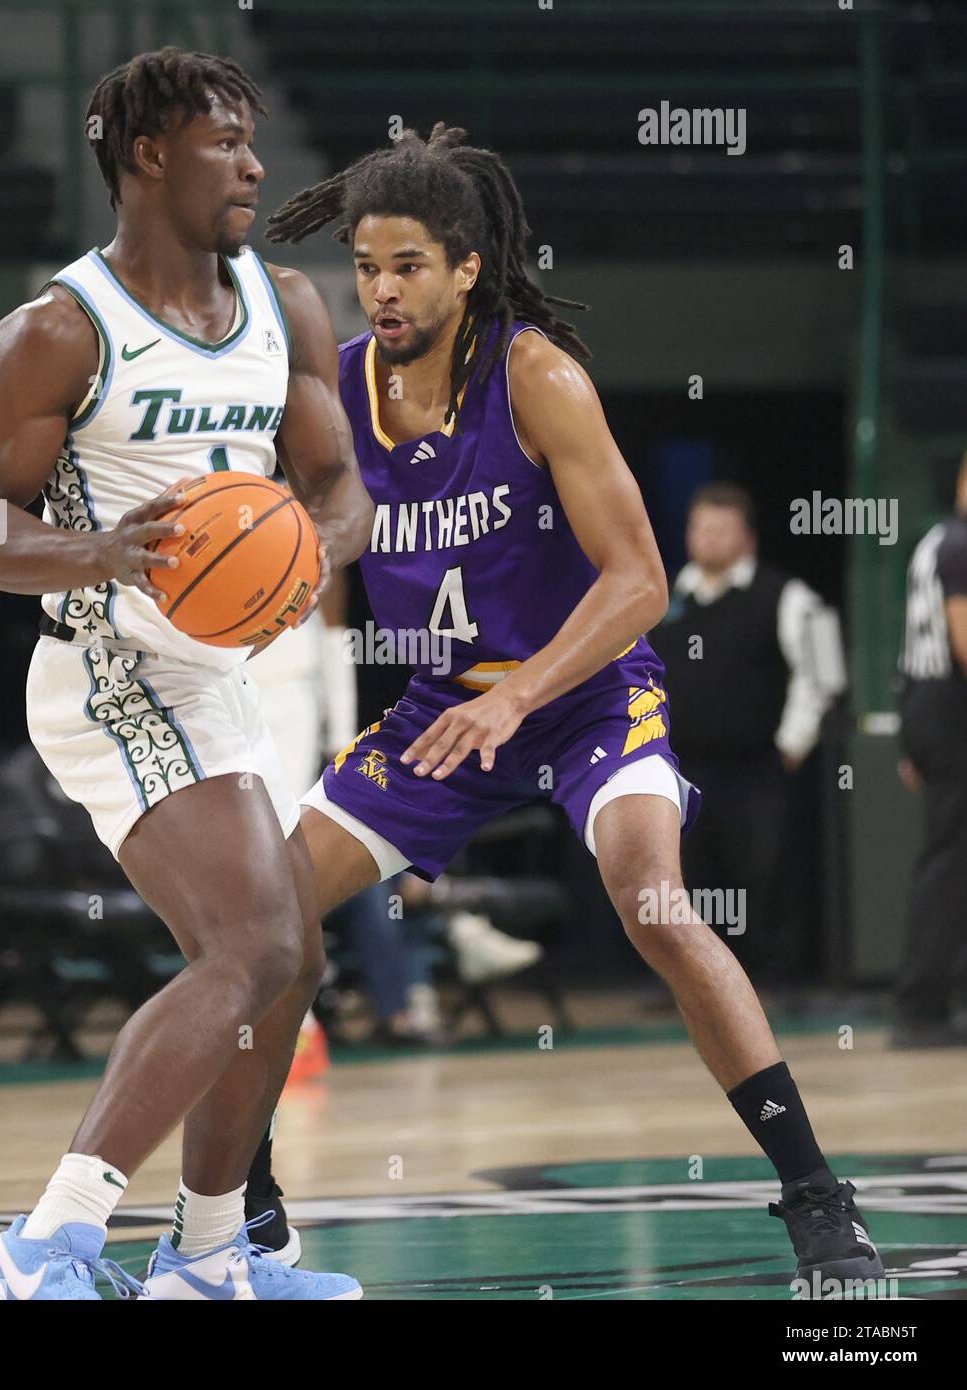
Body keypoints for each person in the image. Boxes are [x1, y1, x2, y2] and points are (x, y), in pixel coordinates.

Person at [250, 122, 883, 1287]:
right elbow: (317, 558)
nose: (382, 291)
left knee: (654, 903)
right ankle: (247, 1203)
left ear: (467, 266)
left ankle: (814, 1195)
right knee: (268, 920)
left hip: (587, 691)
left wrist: (522, 695)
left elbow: (639, 579)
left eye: (409, 268)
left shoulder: (534, 374)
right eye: (367, 268)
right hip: (447, 707)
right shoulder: (337, 391)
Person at [0, 48, 373, 1300]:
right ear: (145, 155)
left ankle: (205, 1255)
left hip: (222, 678)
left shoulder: (286, 303)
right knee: (249, 944)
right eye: (223, 142)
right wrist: (109, 551)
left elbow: (340, 487)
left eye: (251, 140)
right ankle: (41, 1249)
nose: (253, 165)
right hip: (110, 667)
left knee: (288, 958)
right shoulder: (57, 331)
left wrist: (308, 555)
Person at [653, 483, 843, 982]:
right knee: (685, 879)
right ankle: (695, 985)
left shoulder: (788, 595)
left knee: (766, 872)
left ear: (748, 539)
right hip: (682, 771)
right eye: (700, 527)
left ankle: (777, 980)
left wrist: (793, 742)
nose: (708, 539)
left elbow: (824, 674)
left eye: (721, 529)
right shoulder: (663, 597)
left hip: (758, 767)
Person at [893, 452, 967, 1048]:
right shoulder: (960, 544)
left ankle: (930, 1000)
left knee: (947, 855)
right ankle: (921, 1007)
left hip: (926, 704)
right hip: (950, 708)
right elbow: (963, 640)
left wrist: (909, 734)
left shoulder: (936, 540)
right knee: (949, 860)